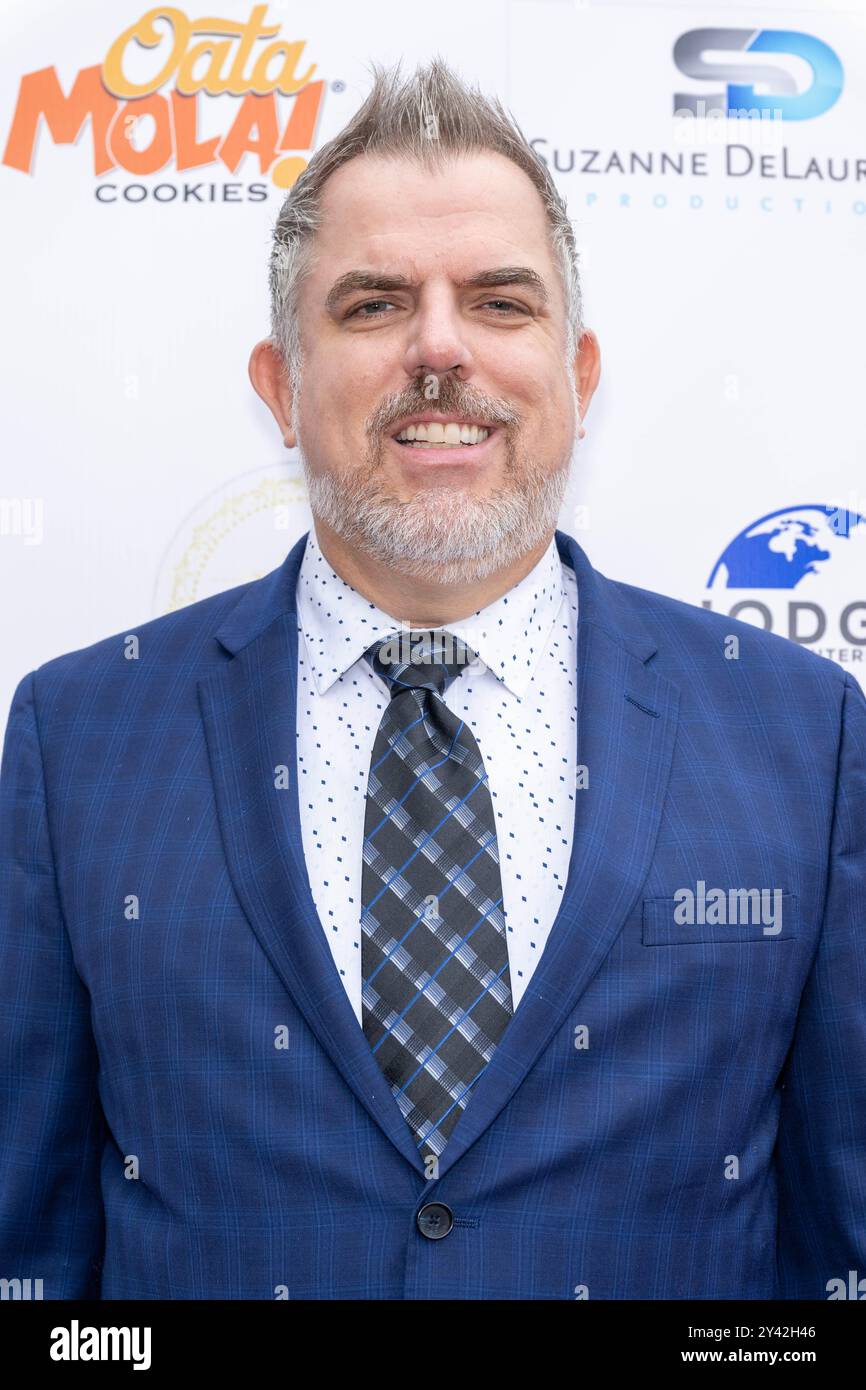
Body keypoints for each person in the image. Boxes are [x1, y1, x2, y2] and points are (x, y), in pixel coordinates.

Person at [0, 58, 863, 1302]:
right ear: (280, 388)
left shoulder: (800, 733)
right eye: (371, 306)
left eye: (501, 303)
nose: (440, 349)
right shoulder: (79, 738)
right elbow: (32, 1261)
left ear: (578, 376)